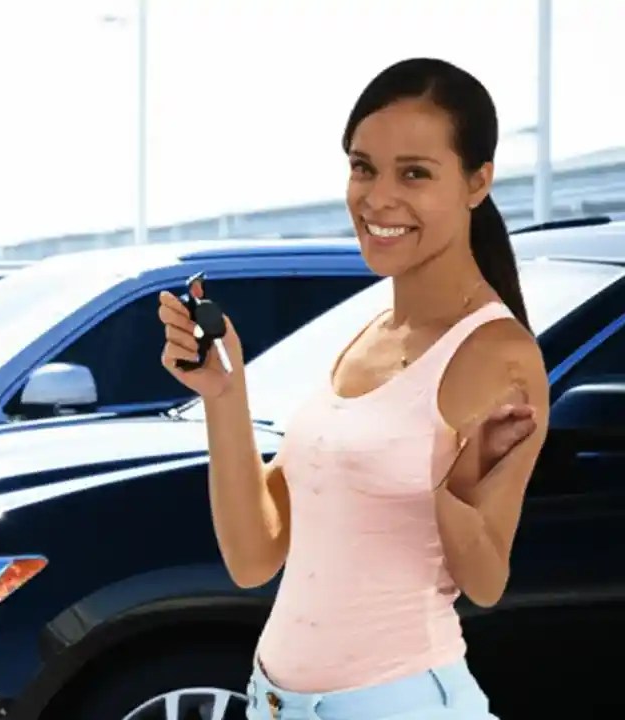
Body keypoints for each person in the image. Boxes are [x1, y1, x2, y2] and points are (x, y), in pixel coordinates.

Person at [158, 57, 549, 720]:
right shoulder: (367, 335)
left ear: (477, 182)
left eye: (415, 173)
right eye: (363, 166)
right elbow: (255, 557)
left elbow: (485, 582)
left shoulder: (498, 354)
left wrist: (453, 480)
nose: (377, 198)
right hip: (273, 703)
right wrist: (226, 397)